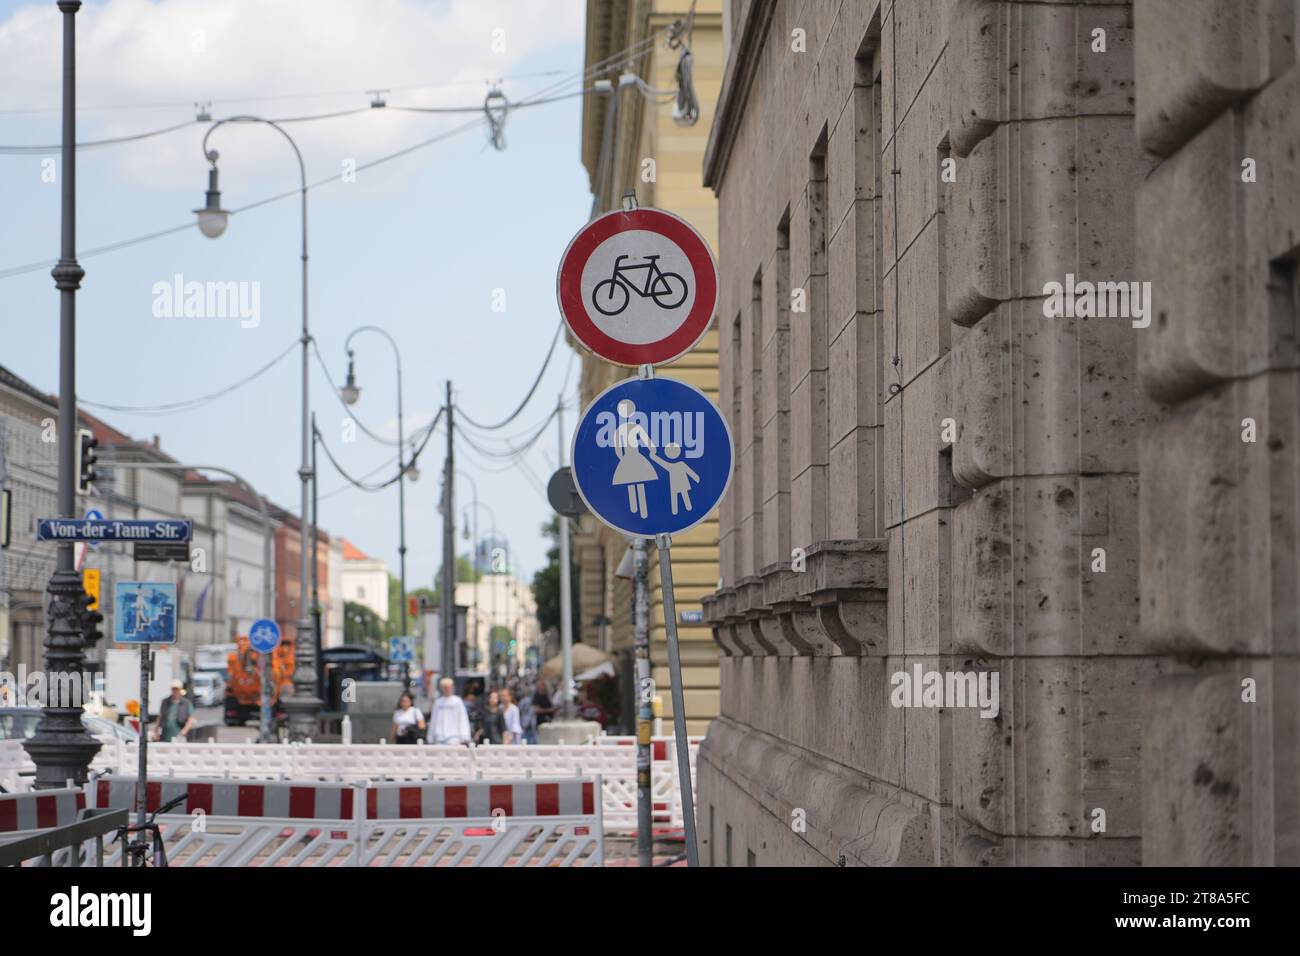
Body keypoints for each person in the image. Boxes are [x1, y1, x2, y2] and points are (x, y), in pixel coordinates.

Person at [612, 399, 658, 519]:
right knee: (638, 481)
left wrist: (622, 458)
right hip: (633, 456)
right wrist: (652, 449)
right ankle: (639, 511)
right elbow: (647, 441)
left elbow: (618, 449)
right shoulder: (627, 429)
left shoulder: (620, 430)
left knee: (633, 482)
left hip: (629, 457)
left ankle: (637, 510)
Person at [651, 443, 701, 515]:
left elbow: (689, 471)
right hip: (676, 484)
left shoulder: (678, 464)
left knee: (683, 496)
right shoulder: (675, 465)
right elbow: (662, 463)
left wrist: (696, 478)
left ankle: (683, 510)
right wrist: (654, 457)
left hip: (680, 483)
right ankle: (676, 511)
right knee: (677, 497)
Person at [426, 677, 472, 745]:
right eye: (445, 687)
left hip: (454, 737)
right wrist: (430, 735)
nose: (447, 689)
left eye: (449, 687)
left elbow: (463, 719)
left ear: (452, 687)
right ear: (441, 688)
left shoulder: (457, 701)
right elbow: (434, 719)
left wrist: (465, 735)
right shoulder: (438, 702)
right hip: (439, 737)